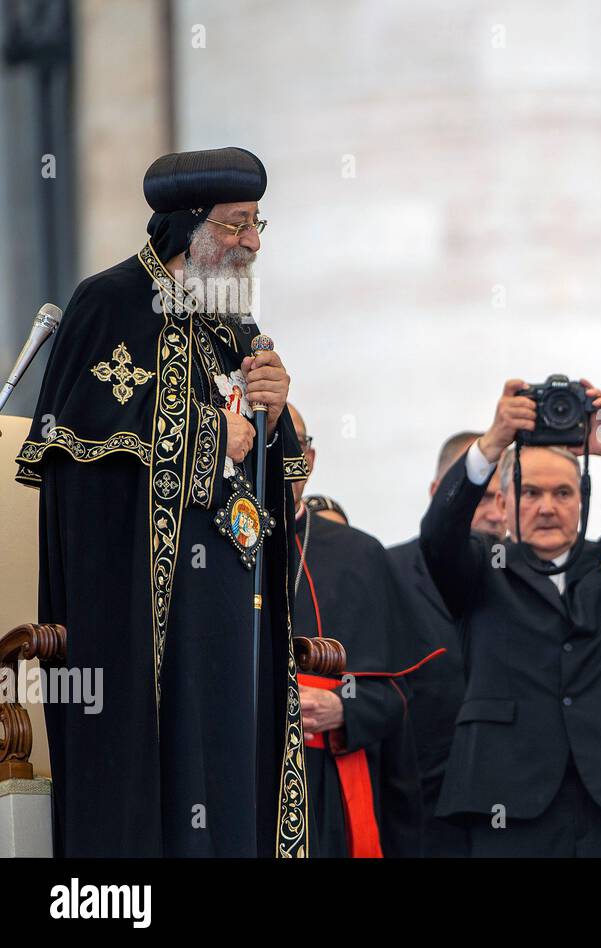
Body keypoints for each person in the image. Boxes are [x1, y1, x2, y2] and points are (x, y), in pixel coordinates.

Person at [15, 147, 309, 856]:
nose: (254, 243)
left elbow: (280, 480)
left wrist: (276, 416)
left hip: (237, 612)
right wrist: (216, 434)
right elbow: (80, 455)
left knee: (239, 773)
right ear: (189, 226)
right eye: (238, 226)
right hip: (145, 615)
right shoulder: (107, 302)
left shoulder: (230, 325)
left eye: (257, 224)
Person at [419, 379, 601, 857]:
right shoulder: (483, 567)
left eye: (564, 492)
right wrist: (492, 443)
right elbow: (438, 534)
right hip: (510, 804)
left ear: (582, 501)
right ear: (505, 503)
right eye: (533, 493)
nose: (548, 507)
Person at [287, 405, 423, 857]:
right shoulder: (207, 542)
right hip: (232, 775)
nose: (284, 453)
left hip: (328, 784)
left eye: (295, 443)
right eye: (268, 439)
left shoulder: (359, 554)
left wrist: (344, 708)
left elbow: (398, 695)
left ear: (310, 458)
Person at [389, 429, 506, 857]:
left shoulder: (528, 580)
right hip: (414, 815)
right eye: (482, 496)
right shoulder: (384, 571)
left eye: (503, 497)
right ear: (439, 493)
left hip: (510, 817)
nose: (496, 512)